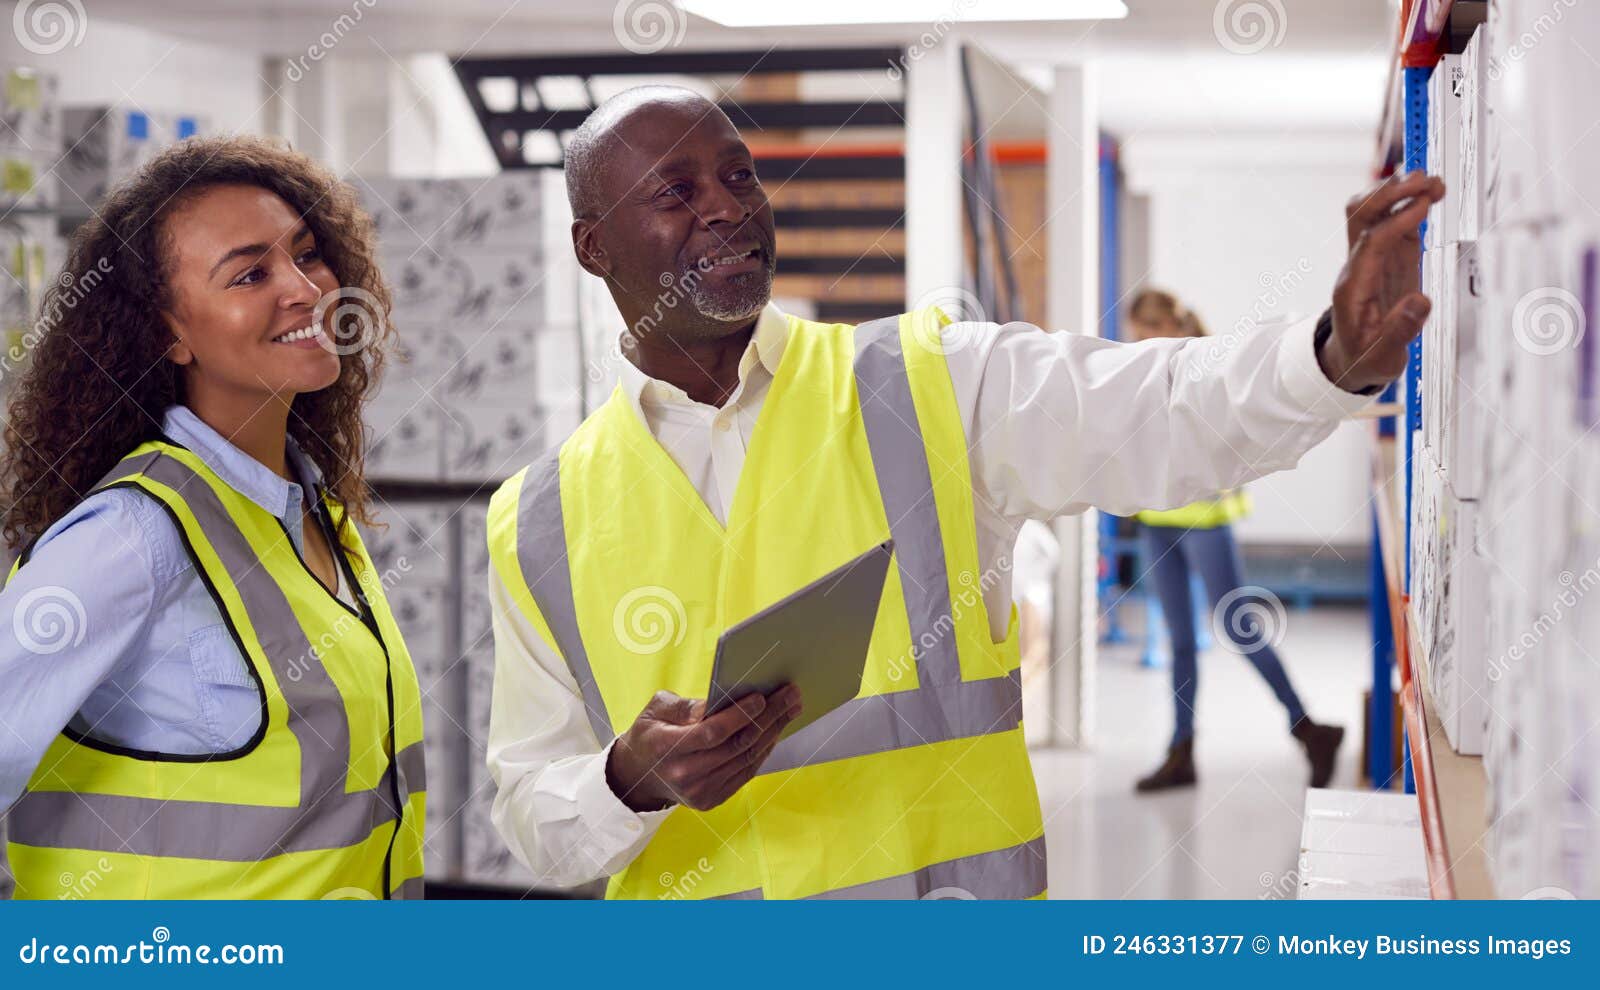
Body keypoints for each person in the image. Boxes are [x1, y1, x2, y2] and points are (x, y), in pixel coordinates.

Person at [484, 85, 1442, 899]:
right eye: (676, 191)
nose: (727, 208)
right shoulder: (538, 521)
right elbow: (531, 812)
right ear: (593, 247)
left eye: (740, 177)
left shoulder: (926, 383)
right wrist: (626, 781)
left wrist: (1328, 359)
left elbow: (1159, 407)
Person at [0, 136, 427, 899]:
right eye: (250, 274)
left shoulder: (312, 512)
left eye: (306, 254)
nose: (304, 288)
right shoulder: (132, 536)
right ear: (169, 332)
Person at [1124, 289, 1344, 793]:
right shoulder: (1149, 371)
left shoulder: (1208, 366)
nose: (1139, 344)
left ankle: (1309, 730)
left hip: (1205, 518)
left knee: (1238, 627)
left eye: (1146, 333)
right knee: (1180, 640)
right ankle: (1181, 751)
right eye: (1135, 336)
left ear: (1170, 326)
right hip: (1158, 518)